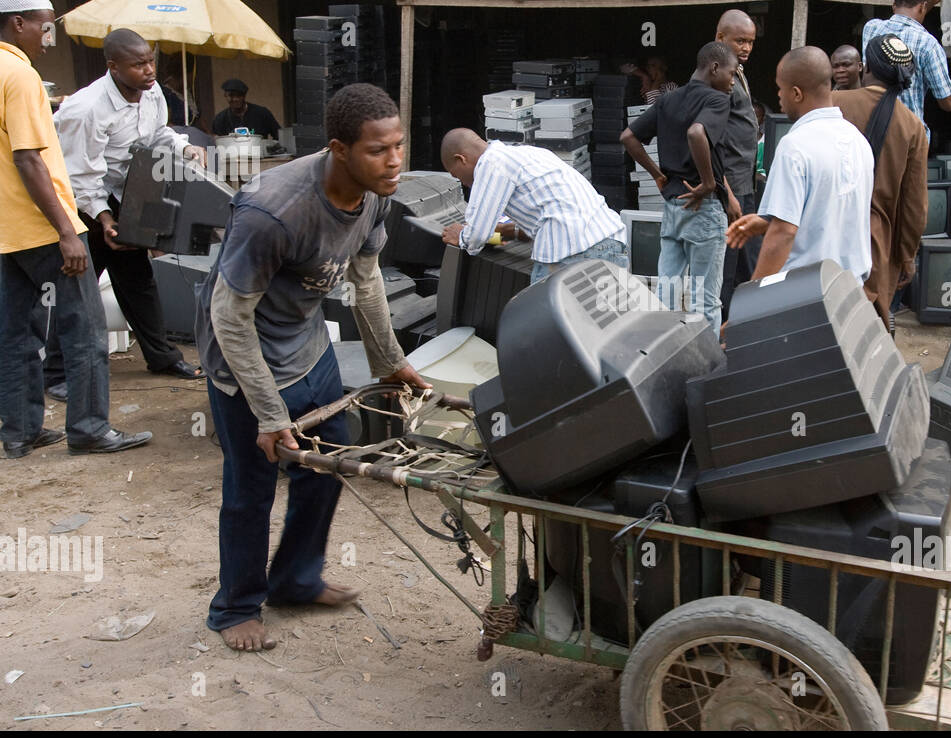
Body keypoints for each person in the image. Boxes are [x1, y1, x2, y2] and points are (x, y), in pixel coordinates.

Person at [195, 83, 429, 652]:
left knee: (328, 465)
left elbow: (366, 278)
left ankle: (296, 580)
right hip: (242, 356)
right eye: (379, 150)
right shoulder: (273, 211)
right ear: (338, 149)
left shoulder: (377, 193)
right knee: (251, 488)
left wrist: (390, 361)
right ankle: (235, 608)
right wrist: (270, 414)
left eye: (399, 146)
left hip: (305, 342)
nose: (394, 160)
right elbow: (230, 319)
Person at [0, 0, 151, 458]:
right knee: (84, 328)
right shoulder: (20, 77)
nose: (50, 34)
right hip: (42, 226)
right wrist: (68, 231)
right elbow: (28, 159)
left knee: (15, 333)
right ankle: (88, 428)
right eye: (45, 23)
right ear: (18, 23)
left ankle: (19, 431)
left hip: (6, 232)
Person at [50, 28, 207, 384]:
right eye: (138, 64)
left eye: (151, 61)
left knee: (137, 279)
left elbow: (157, 135)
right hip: (77, 202)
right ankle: (57, 373)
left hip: (122, 194)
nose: (149, 70)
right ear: (113, 67)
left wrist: (184, 148)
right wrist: (105, 221)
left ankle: (161, 357)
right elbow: (80, 176)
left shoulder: (151, 95)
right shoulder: (87, 109)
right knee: (76, 286)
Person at [727, 47, 874, 288]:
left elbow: (783, 234)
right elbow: (828, 209)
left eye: (780, 88)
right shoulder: (858, 141)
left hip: (805, 294)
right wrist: (768, 222)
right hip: (850, 289)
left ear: (796, 93)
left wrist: (748, 305)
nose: (778, 96)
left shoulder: (795, 146)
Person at [621, 41, 742, 335]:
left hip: (673, 206)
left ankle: (666, 358)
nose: (733, 81)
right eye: (732, 72)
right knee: (705, 301)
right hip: (703, 207)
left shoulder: (668, 99)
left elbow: (628, 137)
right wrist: (709, 183)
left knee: (668, 296)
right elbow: (697, 132)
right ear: (714, 67)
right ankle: (709, 372)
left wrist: (658, 176)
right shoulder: (716, 100)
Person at [439, 129, 627, 285]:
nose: (463, 183)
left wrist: (461, 235)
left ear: (461, 159)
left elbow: (476, 235)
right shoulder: (529, 153)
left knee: (543, 323)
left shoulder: (491, 162)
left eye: (457, 176)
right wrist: (510, 231)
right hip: (611, 242)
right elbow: (553, 206)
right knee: (601, 324)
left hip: (573, 251)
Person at [833, 34, 929, 330]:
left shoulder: (832, 102)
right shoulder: (913, 126)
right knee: (865, 334)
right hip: (876, 246)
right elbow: (914, 206)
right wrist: (907, 255)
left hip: (828, 230)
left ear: (865, 67)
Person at [860, 0, 951, 138]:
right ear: (922, 7)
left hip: (871, 131)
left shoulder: (871, 28)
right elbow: (949, 101)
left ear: (894, 5)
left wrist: (926, 2)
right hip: (908, 137)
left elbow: (903, 22)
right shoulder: (928, 45)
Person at [714, 9, 761, 317]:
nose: (746, 48)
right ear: (721, 38)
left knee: (749, 262)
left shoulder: (736, 71)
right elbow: (710, 140)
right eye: (740, 40)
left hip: (744, 183)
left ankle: (744, 323)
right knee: (728, 270)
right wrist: (728, 192)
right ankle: (724, 330)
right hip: (731, 187)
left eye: (751, 42)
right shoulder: (718, 78)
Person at [212, 78, 280, 139]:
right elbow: (212, 144)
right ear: (225, 96)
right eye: (231, 95)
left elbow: (279, 136)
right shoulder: (219, 119)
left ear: (244, 96)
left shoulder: (262, 113)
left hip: (259, 151)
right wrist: (210, 152)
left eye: (239, 95)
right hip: (231, 152)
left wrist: (272, 149)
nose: (235, 99)